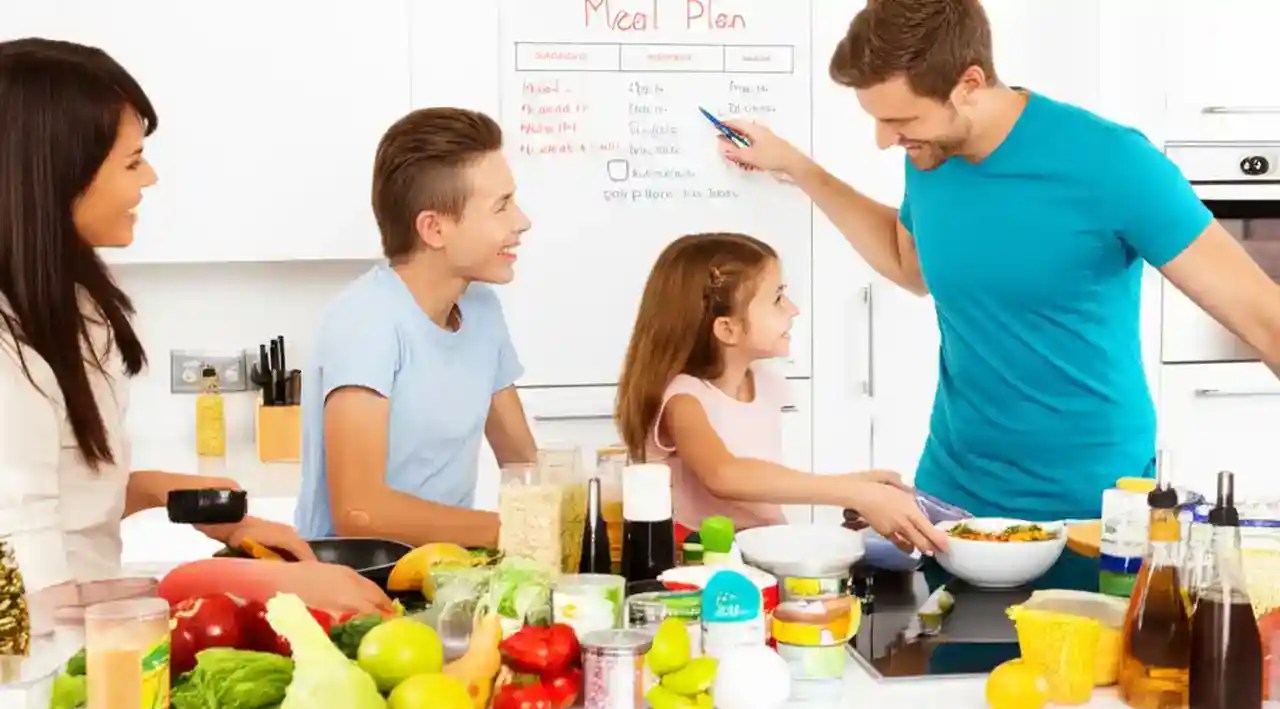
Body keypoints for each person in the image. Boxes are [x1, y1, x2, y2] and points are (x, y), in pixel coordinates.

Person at [714, 0, 1280, 523]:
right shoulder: (932, 151)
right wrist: (796, 167)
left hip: (1092, 507)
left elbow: (1264, 317)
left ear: (970, 84)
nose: (885, 141)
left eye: (901, 121)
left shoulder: (1112, 162)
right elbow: (906, 261)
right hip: (955, 498)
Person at [0, 38, 391, 615]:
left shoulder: (74, 304)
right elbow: (30, 606)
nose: (151, 177)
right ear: (56, 174)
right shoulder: (9, 348)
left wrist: (173, 495)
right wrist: (228, 585)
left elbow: (66, 495)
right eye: (133, 161)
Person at [615, 232, 949, 554]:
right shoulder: (684, 399)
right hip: (705, 566)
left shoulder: (765, 384)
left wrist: (858, 486)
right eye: (777, 298)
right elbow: (723, 474)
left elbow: (760, 481)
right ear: (727, 329)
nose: (792, 309)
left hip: (761, 554)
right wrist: (852, 492)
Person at [296, 108, 537, 548]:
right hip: (357, 587)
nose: (521, 221)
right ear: (434, 228)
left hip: (448, 578)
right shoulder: (367, 320)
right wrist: (515, 533)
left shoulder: (482, 310)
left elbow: (523, 464)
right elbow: (360, 512)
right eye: (501, 206)